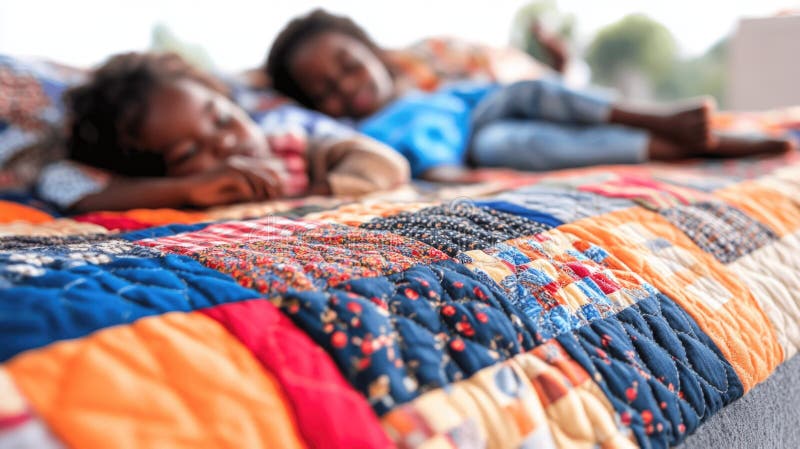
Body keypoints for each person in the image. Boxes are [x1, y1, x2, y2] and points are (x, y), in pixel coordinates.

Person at [264, 9, 793, 182]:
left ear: (372, 51)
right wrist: (454, 176)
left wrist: (561, 69)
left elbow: (545, 91)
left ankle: (662, 120)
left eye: (349, 66)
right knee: (517, 144)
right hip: (478, 144)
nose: (347, 87)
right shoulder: (368, 133)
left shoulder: (434, 73)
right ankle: (679, 147)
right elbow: (429, 156)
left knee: (532, 91)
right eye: (325, 90)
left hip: (491, 100)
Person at [41, 52, 409, 212]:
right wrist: (188, 189)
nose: (225, 142)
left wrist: (316, 192)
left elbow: (385, 164)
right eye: (187, 153)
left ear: (230, 101)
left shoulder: (288, 143)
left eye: (220, 118)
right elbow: (63, 185)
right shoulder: (178, 191)